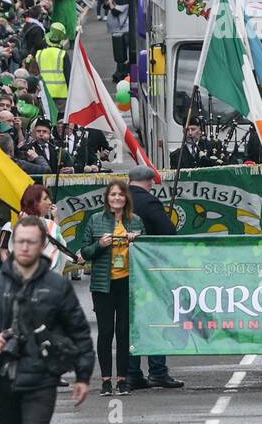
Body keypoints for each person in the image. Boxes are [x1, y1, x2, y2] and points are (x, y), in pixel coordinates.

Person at [0, 216, 93, 424]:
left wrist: (83, 375)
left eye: (31, 242)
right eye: (19, 241)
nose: (24, 247)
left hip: (41, 377)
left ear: (42, 244)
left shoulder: (56, 285)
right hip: (2, 378)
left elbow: (79, 331)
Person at [77, 178, 142, 395]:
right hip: (102, 284)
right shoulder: (95, 220)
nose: (116, 198)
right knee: (105, 332)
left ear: (126, 199)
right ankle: (106, 380)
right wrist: (99, 245)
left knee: (124, 332)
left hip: (127, 283)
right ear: (107, 198)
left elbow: (147, 250)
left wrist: (137, 241)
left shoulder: (135, 221)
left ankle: (123, 379)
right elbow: (84, 252)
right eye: (113, 194)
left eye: (120, 195)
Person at [124, 165, 183, 390]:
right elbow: (168, 233)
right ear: (149, 182)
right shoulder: (149, 202)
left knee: (130, 324)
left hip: (123, 270)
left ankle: (131, 372)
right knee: (157, 319)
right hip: (151, 270)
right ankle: (158, 371)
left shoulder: (116, 200)